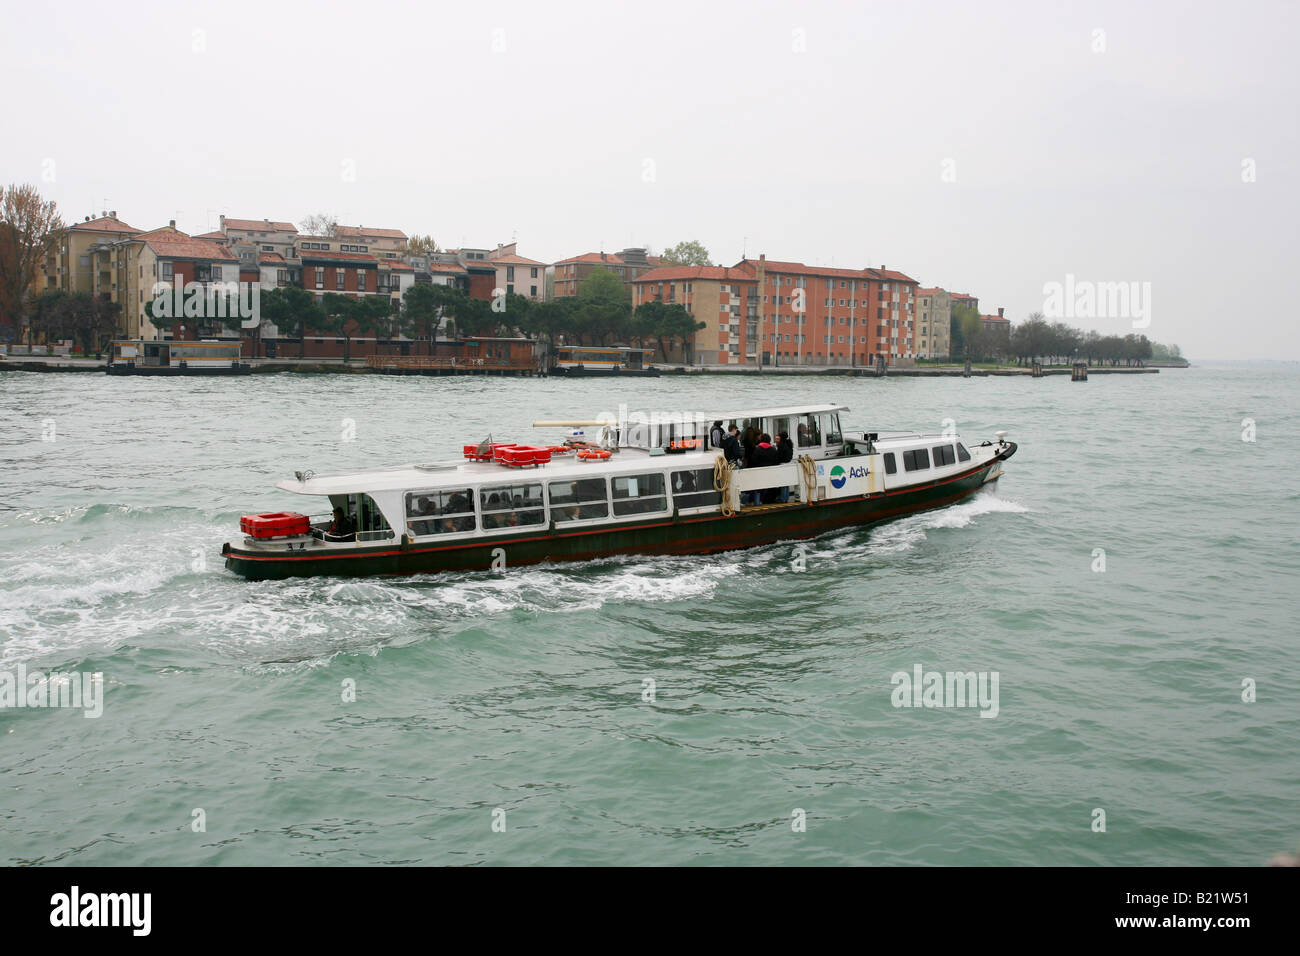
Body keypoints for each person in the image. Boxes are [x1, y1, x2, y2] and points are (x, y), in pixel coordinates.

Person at [776, 431, 795, 502]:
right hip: (788, 464)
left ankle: (782, 498)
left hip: (782, 464)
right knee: (787, 482)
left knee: (783, 483)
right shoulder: (789, 444)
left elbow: (779, 456)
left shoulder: (781, 445)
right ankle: (786, 498)